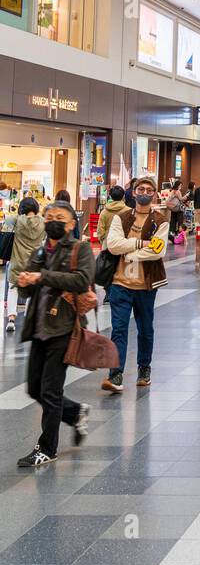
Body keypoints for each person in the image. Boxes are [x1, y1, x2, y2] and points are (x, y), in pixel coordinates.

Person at [15, 198, 94, 467]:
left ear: (72, 223)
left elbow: (82, 280)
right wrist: (24, 281)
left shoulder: (79, 248)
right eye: (49, 216)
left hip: (63, 327)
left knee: (50, 390)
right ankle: (75, 413)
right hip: (39, 328)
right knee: (34, 388)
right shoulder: (40, 252)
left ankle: (47, 447)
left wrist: (42, 277)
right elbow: (28, 286)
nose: (53, 221)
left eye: (60, 217)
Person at [103, 175, 170, 394]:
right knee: (119, 329)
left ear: (155, 194)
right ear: (133, 192)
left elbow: (157, 250)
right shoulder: (120, 218)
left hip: (146, 285)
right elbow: (113, 245)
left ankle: (144, 368)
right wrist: (141, 243)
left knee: (145, 329)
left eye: (149, 190)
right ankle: (116, 373)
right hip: (119, 283)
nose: (144, 193)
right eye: (140, 189)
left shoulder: (161, 220)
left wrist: (131, 253)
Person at [6, 197, 45, 334]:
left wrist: (19, 213)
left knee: (13, 289)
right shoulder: (42, 222)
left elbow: (6, 220)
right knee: (31, 291)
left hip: (17, 261)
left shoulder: (18, 220)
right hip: (34, 263)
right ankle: (28, 319)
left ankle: (11, 319)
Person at [164, 179, 184, 243]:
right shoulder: (178, 191)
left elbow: (169, 198)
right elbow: (181, 199)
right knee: (179, 221)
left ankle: (172, 232)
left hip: (173, 208)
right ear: (178, 185)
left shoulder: (172, 191)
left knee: (173, 220)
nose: (181, 186)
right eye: (180, 185)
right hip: (178, 208)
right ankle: (179, 233)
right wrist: (186, 196)